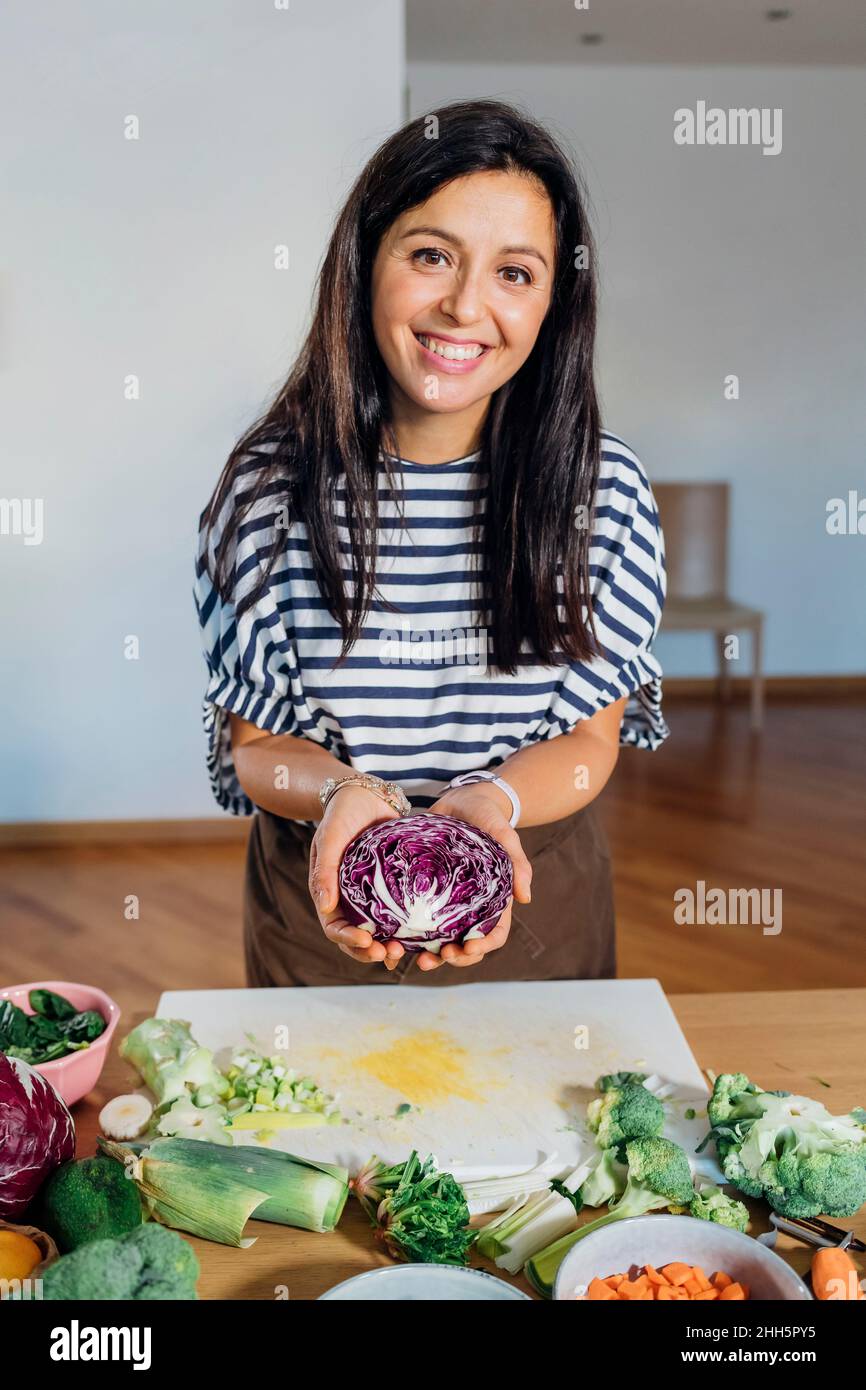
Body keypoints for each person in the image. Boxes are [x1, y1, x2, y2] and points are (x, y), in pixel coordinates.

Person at [194, 100, 668, 989]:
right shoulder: (266, 490)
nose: (464, 306)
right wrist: (344, 796)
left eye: (515, 273)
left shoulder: (600, 495)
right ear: (364, 263)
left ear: (553, 302)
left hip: (534, 906)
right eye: (430, 255)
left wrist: (492, 801)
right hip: (318, 903)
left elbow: (592, 743)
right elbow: (255, 745)